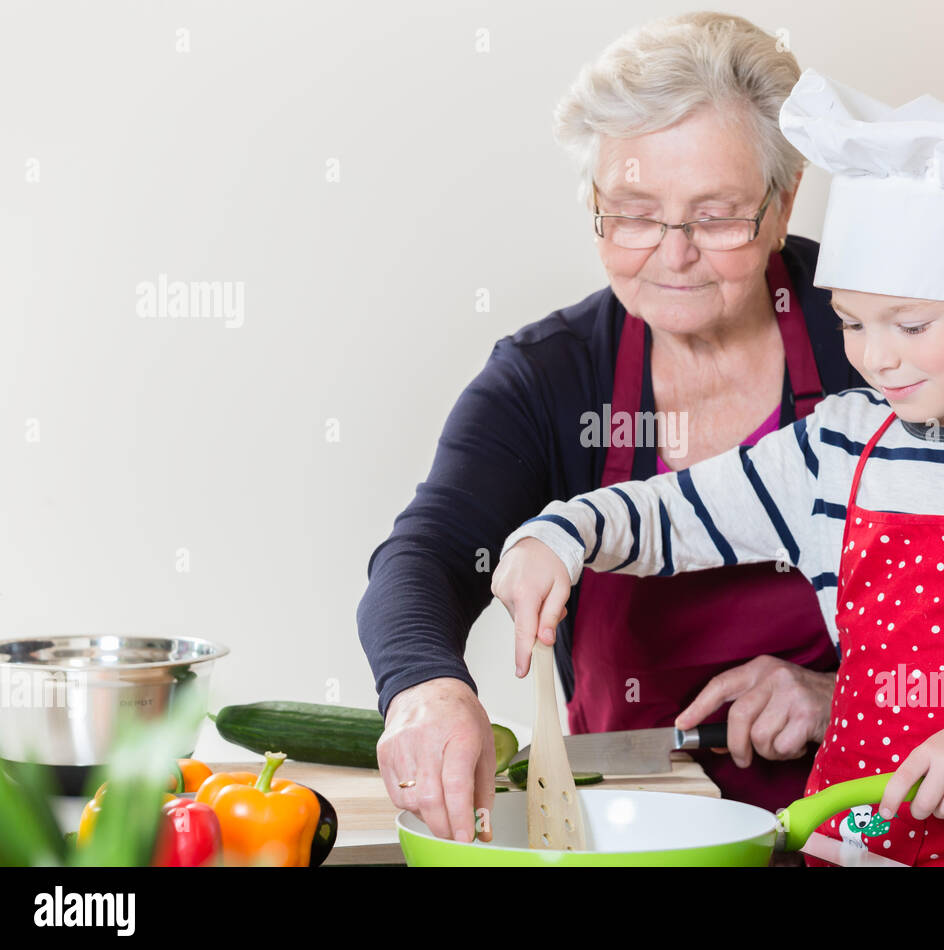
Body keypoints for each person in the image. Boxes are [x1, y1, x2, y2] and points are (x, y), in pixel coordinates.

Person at [491, 70, 944, 866]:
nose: (878, 358)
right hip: (848, 840)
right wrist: (562, 533)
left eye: (913, 325)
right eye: (853, 322)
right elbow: (671, 515)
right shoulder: (839, 445)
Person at [357, 14, 866, 844]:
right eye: (631, 212)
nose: (673, 254)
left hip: (865, 816)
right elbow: (428, 553)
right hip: (634, 835)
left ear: (784, 202)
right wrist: (428, 688)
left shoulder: (877, 341)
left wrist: (836, 694)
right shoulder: (550, 377)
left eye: (716, 215)